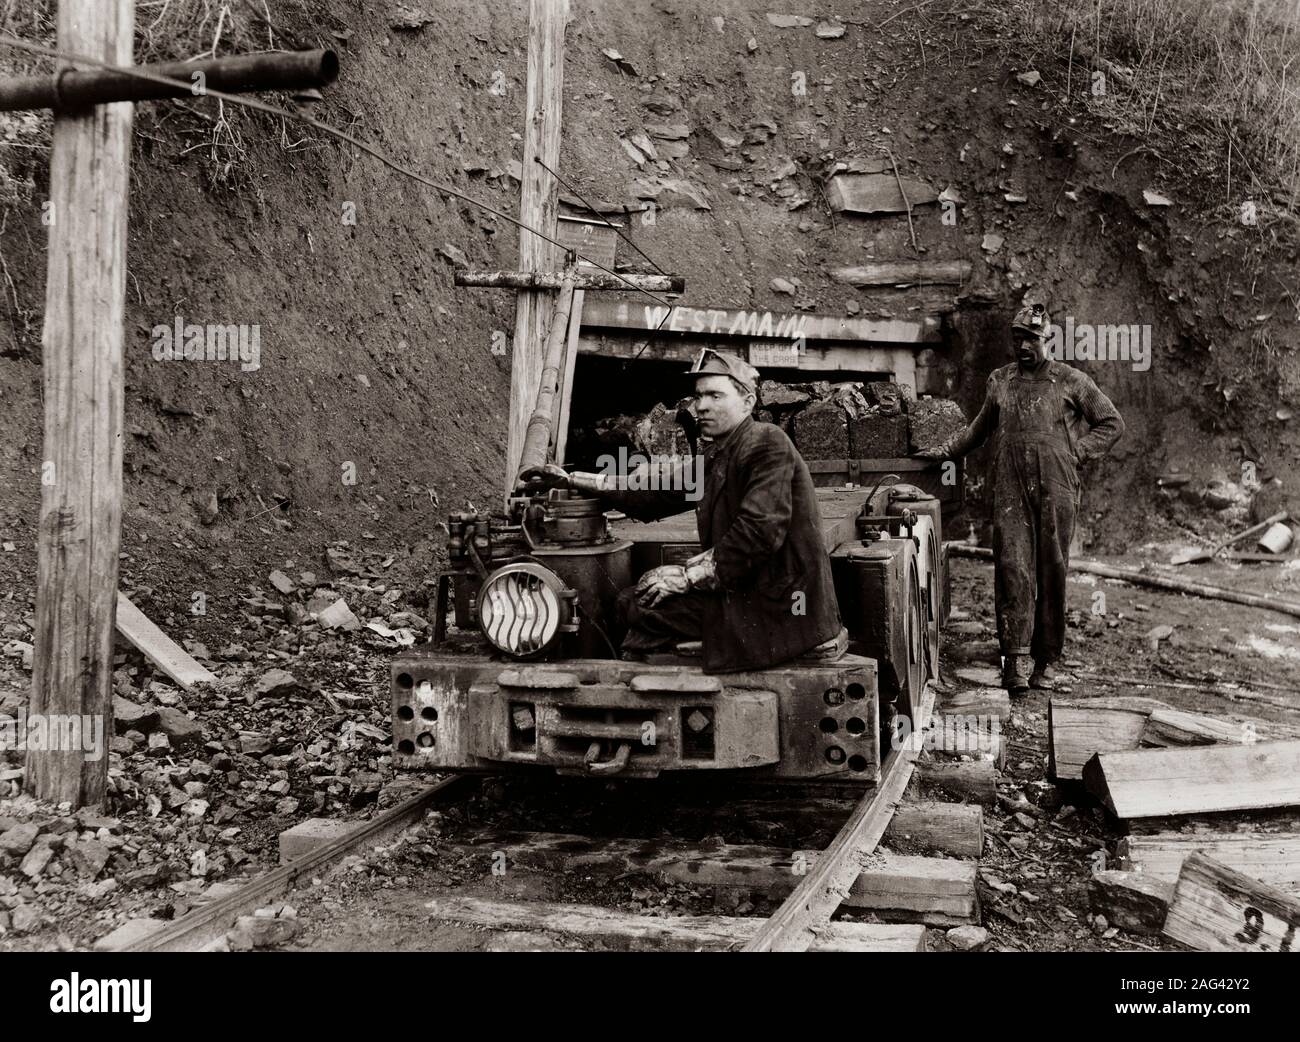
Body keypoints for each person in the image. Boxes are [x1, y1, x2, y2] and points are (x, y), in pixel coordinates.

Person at [523, 349, 844, 674]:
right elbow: (657, 492)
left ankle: (639, 690)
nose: (701, 406)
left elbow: (758, 531)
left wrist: (688, 577)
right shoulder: (722, 453)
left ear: (747, 403)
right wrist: (577, 480)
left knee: (638, 606)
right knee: (633, 602)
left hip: (783, 608)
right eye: (699, 396)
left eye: (715, 395)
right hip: (757, 594)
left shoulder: (766, 443)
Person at [916, 304, 1124, 693]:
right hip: (1010, 488)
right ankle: (1014, 661)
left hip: (1056, 489)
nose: (1024, 346)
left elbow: (1112, 422)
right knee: (1012, 569)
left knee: (1052, 571)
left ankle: (1045, 663)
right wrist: (943, 451)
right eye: (1018, 338)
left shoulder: (1072, 381)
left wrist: (1077, 451)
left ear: (1048, 341)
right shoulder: (1000, 381)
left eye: (1032, 338)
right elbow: (977, 431)